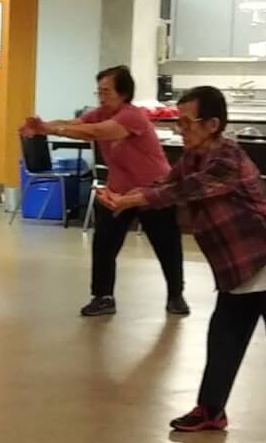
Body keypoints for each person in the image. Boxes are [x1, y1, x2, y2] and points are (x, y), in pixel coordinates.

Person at [100, 84, 266, 440]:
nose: (180, 130)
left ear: (212, 124)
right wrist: (127, 197)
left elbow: (184, 190)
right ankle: (211, 411)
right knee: (223, 340)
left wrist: (132, 201)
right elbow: (165, 182)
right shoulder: (192, 157)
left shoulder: (226, 157)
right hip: (236, 265)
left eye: (186, 123)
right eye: (177, 123)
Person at [21, 65, 188, 317]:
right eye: (98, 91)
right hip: (117, 191)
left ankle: (176, 296)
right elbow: (73, 124)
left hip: (153, 190)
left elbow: (98, 133)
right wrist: (43, 126)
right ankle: (102, 297)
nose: (101, 97)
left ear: (123, 94)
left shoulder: (132, 116)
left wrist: (53, 129)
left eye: (106, 91)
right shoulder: (99, 113)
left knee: (167, 246)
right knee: (104, 245)